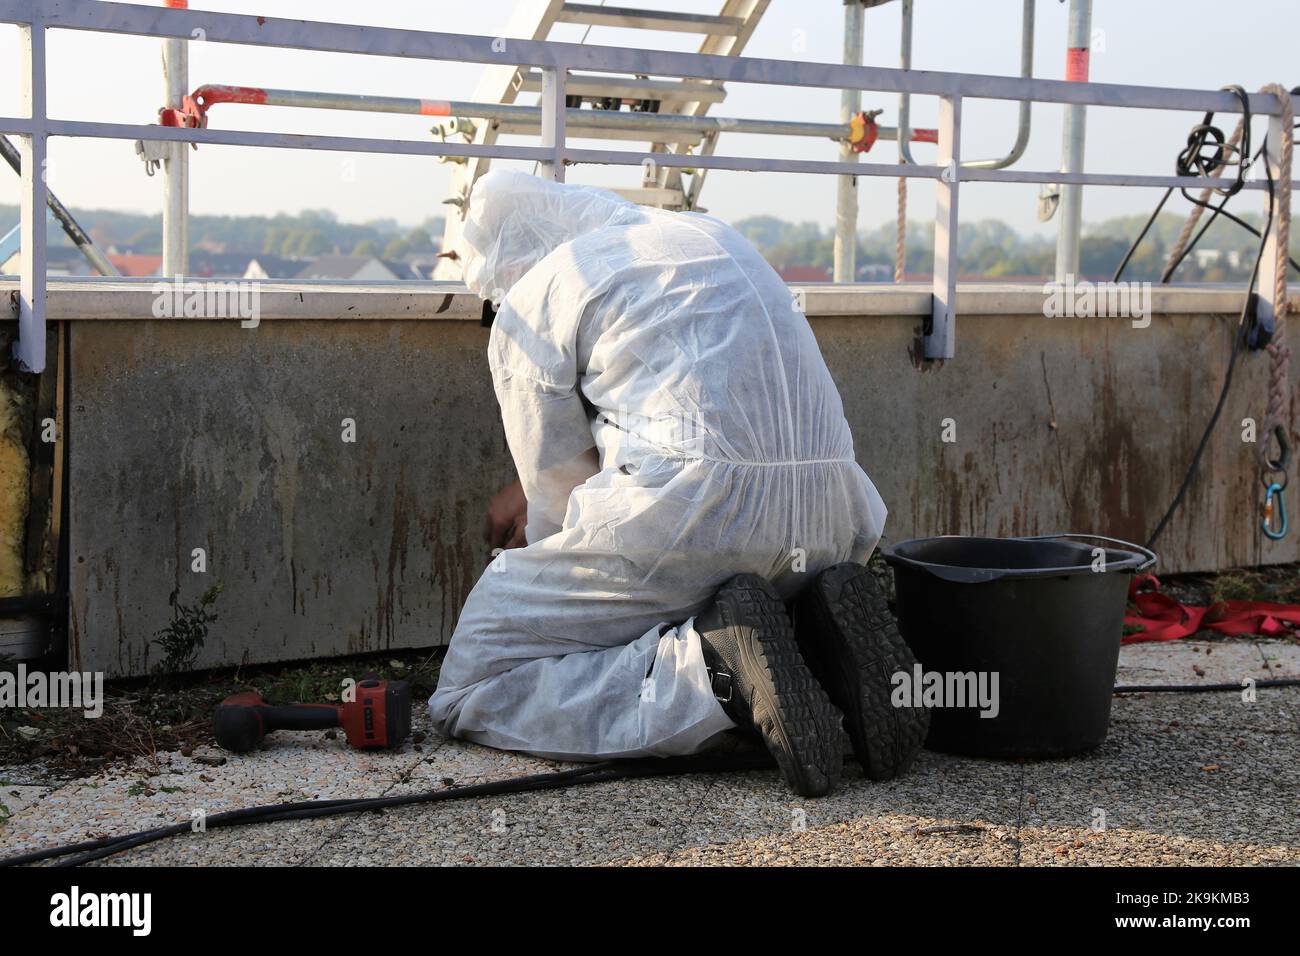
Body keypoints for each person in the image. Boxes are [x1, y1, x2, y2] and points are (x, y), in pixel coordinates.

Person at [428, 170, 927, 796]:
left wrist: (539, 557)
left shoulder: (539, 294)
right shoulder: (707, 234)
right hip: (835, 519)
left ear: (506, 260)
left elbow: (557, 500)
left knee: (472, 685)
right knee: (723, 582)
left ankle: (712, 670)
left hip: (694, 520)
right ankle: (815, 641)